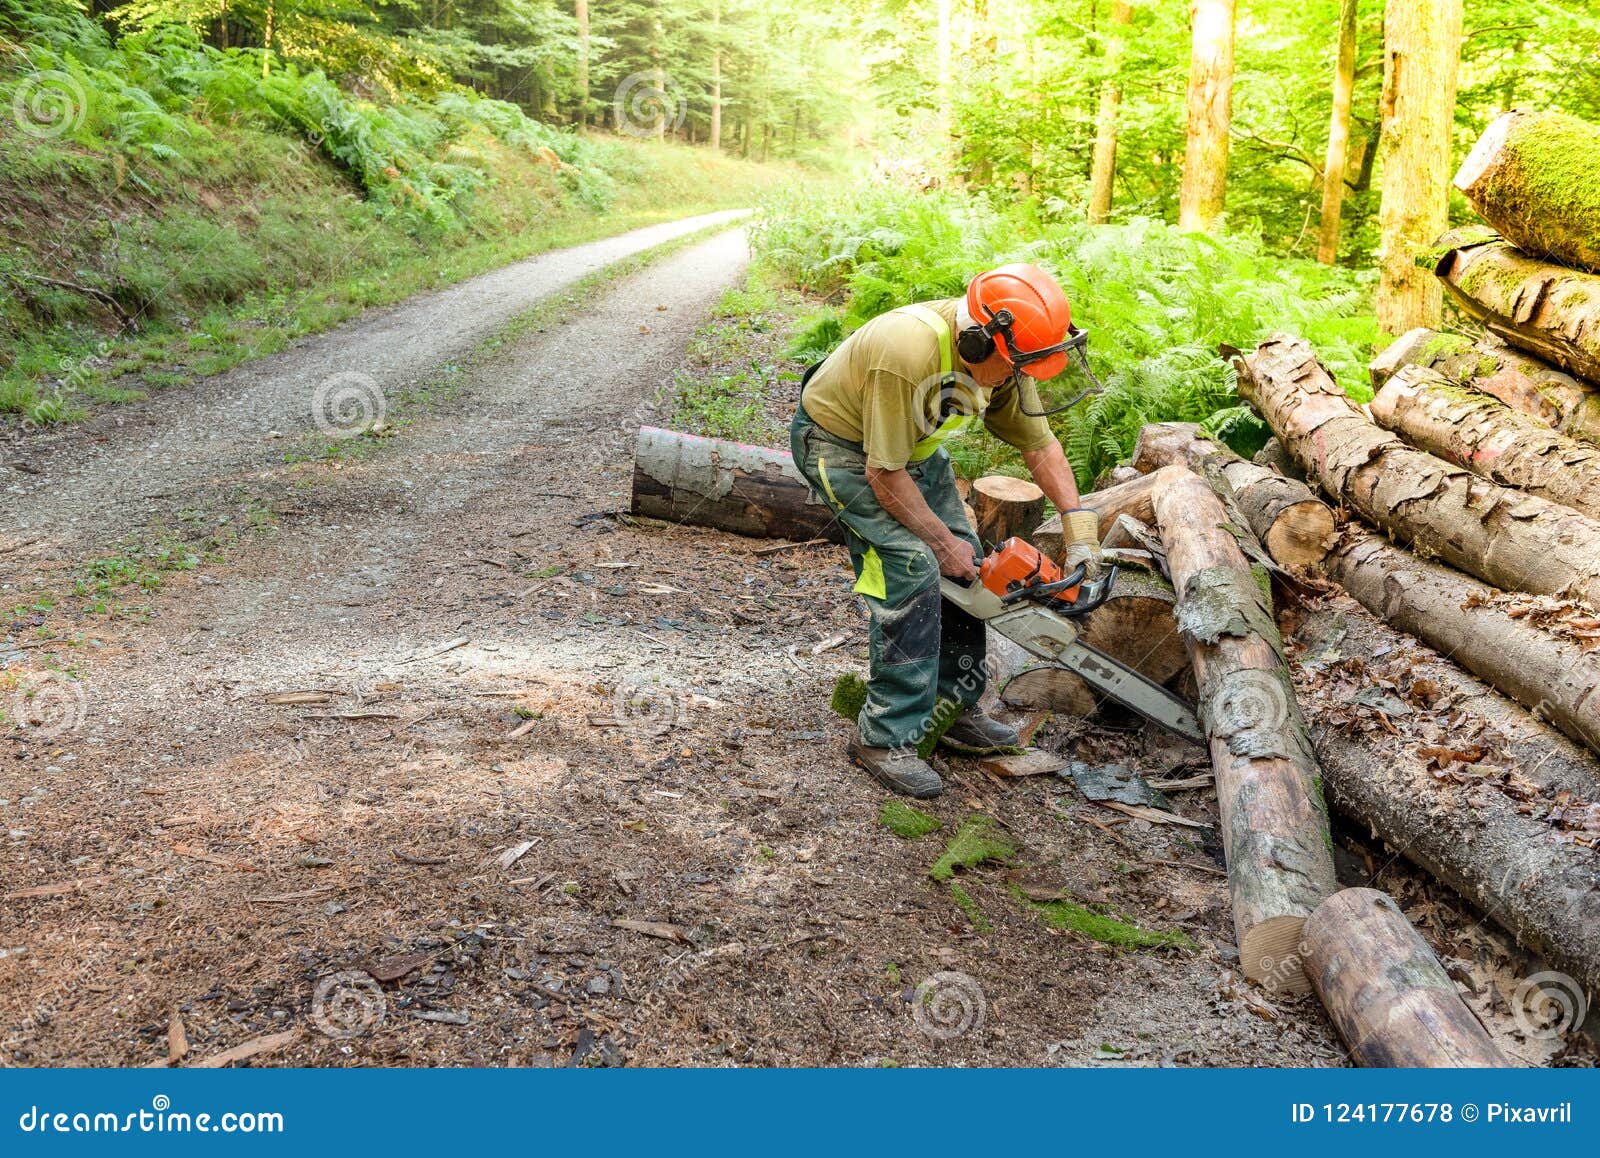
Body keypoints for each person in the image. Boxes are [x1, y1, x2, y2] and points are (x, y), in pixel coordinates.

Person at [790, 263, 1101, 798]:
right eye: (1016, 365)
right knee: (913, 567)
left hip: (916, 451)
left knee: (971, 569)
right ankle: (884, 736)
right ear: (978, 343)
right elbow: (882, 473)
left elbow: (1040, 446)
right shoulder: (907, 353)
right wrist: (940, 542)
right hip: (841, 450)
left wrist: (1080, 530)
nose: (1019, 376)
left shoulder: (1004, 360)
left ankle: (951, 706)